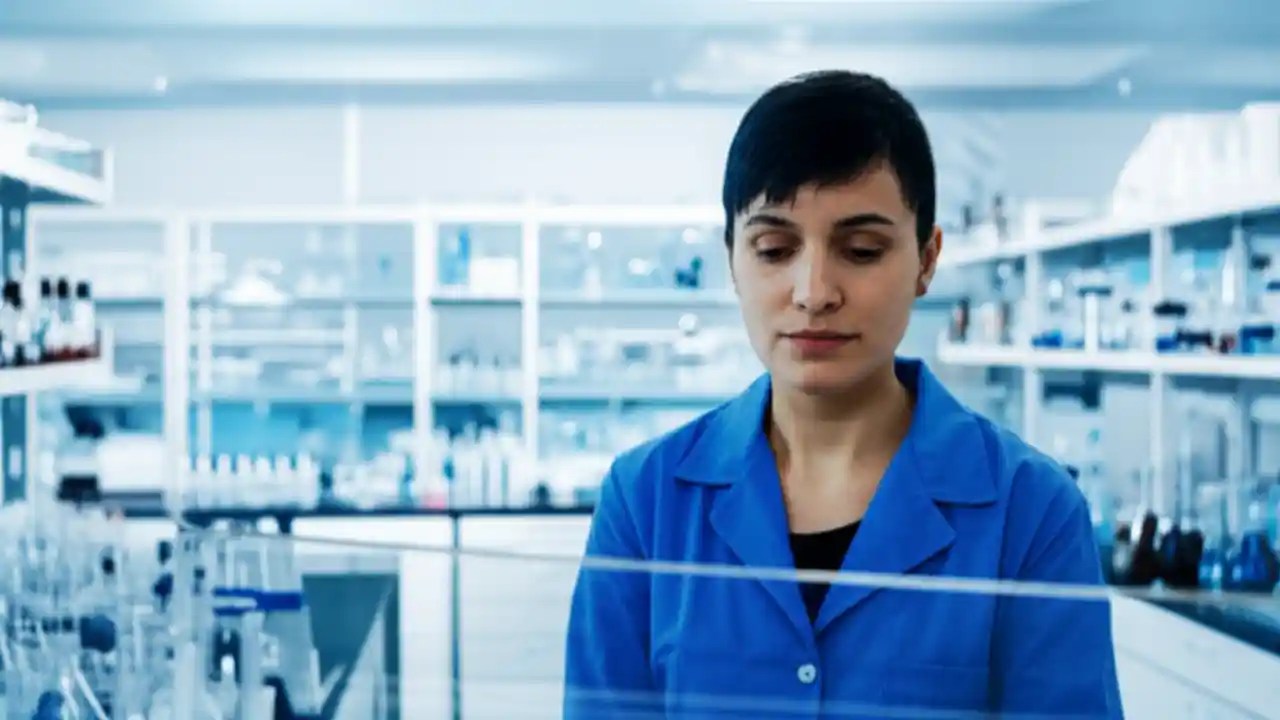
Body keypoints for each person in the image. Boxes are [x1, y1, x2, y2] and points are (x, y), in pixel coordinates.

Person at [563, 70, 1123, 719]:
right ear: (731, 261)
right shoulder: (647, 500)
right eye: (774, 249)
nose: (813, 290)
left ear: (926, 259)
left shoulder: (1031, 511)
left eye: (860, 250)